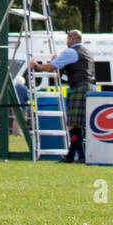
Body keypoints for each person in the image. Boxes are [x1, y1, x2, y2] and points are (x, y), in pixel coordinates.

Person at [30, 29, 94, 163]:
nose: (67, 41)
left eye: (67, 38)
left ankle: (80, 157)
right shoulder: (87, 52)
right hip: (90, 87)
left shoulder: (71, 52)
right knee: (78, 125)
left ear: (71, 39)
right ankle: (72, 156)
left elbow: (50, 67)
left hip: (79, 87)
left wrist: (36, 66)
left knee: (72, 124)